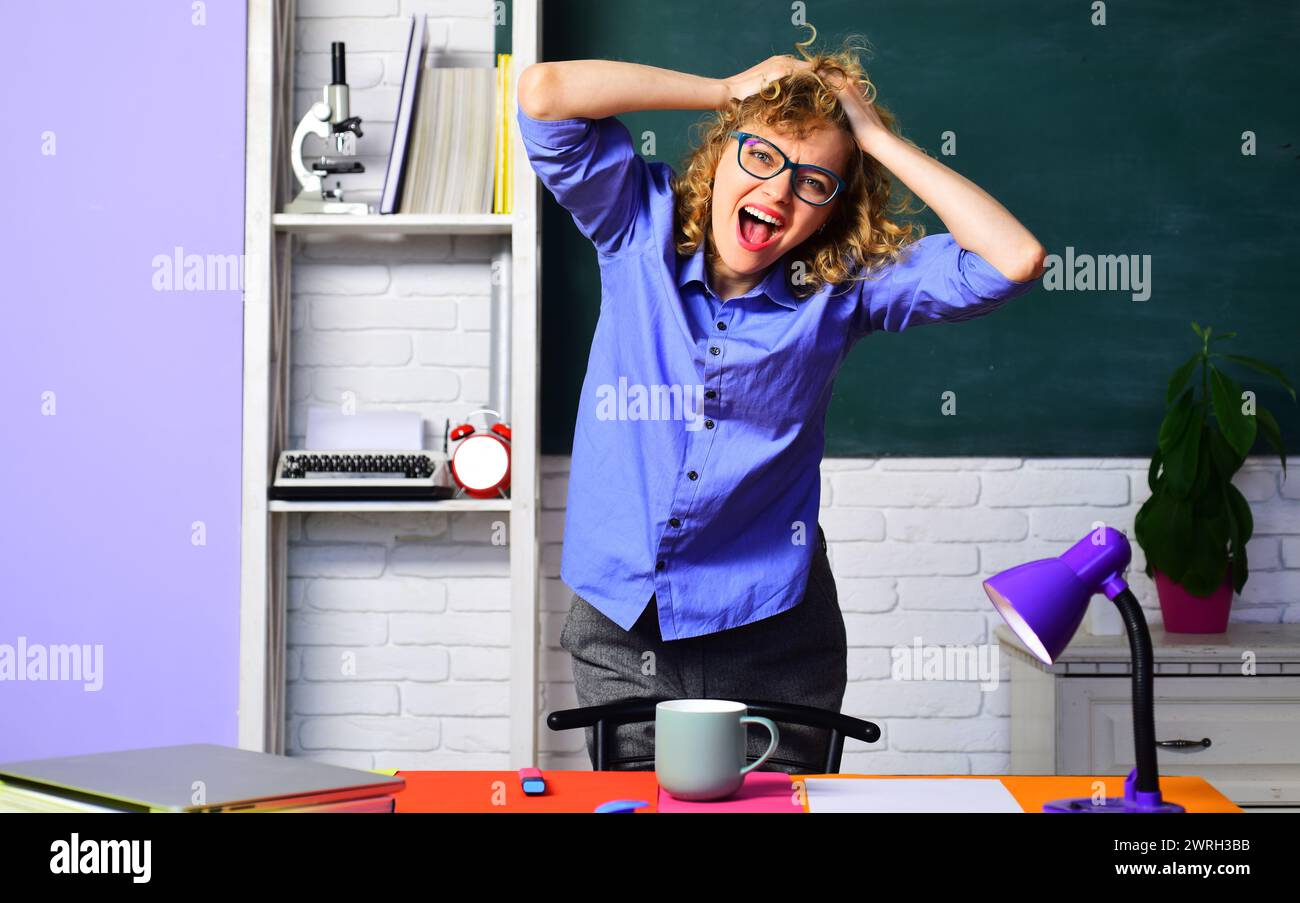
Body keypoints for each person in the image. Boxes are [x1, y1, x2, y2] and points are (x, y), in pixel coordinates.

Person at [515, 28, 1046, 772]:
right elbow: (544, 94)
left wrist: (871, 137)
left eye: (813, 182)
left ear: (831, 210)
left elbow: (1014, 260)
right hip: (623, 628)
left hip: (773, 636)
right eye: (760, 156)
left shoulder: (841, 290)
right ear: (721, 153)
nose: (776, 191)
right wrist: (723, 89)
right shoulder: (636, 224)